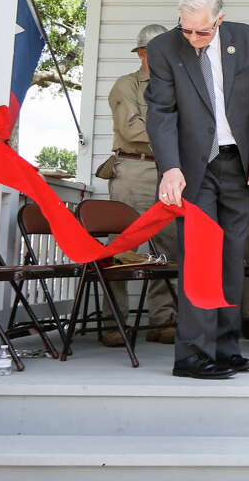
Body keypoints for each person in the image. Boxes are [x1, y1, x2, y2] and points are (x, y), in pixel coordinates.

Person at [145, 0, 249, 380]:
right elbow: (161, 112)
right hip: (192, 169)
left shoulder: (246, 38)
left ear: (219, 20)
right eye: (186, 29)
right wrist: (169, 167)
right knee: (199, 256)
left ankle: (224, 347)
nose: (192, 38)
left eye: (202, 31)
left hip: (238, 164)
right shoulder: (165, 48)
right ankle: (192, 355)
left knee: (233, 256)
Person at [105, 23, 175, 347]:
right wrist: (174, 136)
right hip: (135, 169)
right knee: (122, 248)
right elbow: (132, 131)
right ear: (144, 54)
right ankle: (113, 323)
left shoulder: (175, 87)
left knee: (169, 248)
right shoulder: (126, 85)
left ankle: (164, 321)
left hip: (169, 171)